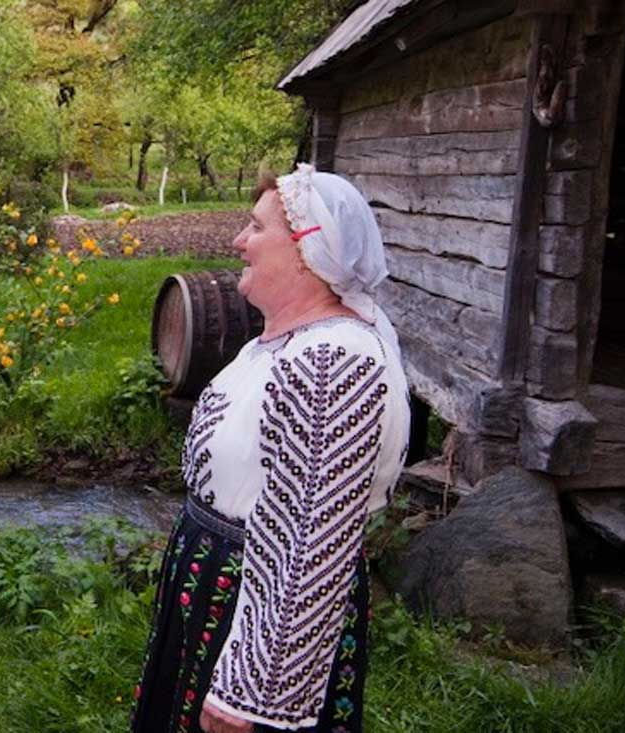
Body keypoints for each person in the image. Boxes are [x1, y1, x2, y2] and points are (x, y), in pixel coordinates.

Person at [131, 164, 411, 733]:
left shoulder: (335, 362)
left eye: (256, 228)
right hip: (218, 587)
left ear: (310, 249)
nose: (239, 241)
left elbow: (311, 541)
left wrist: (253, 695)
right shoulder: (283, 343)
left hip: (263, 617)